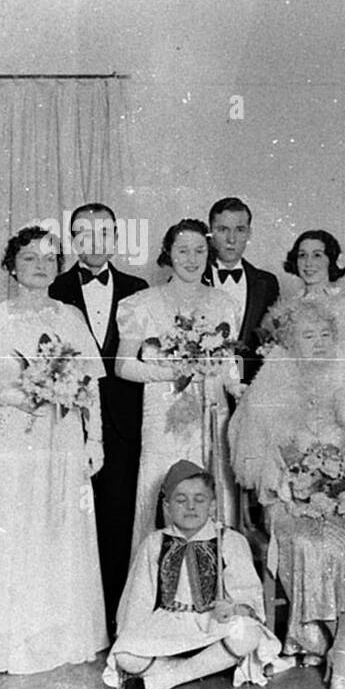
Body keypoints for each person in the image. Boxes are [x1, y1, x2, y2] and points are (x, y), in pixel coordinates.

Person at [0, 226, 108, 674]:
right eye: (30, 258)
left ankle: (60, 636)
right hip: (12, 438)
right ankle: (5, 644)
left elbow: (90, 382)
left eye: (49, 259)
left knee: (59, 527)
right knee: (11, 529)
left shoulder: (71, 317)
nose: (41, 266)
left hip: (63, 437)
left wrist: (95, 440)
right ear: (11, 266)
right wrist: (9, 396)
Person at [229, 294, 345, 689]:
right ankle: (336, 645)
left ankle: (343, 646)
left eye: (326, 334)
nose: (320, 342)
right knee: (310, 541)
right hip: (288, 493)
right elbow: (252, 451)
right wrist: (284, 483)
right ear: (289, 340)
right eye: (309, 335)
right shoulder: (272, 378)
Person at [102, 460, 283, 689]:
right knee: (125, 654)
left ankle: (160, 681)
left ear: (213, 504)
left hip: (213, 623)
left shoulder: (229, 540)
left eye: (199, 499)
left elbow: (248, 594)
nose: (190, 507)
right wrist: (130, 636)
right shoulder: (154, 543)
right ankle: (207, 666)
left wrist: (233, 608)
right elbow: (138, 600)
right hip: (170, 623)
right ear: (167, 506)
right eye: (180, 500)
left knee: (247, 633)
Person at [49, 202, 148, 635]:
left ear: (116, 238)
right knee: (69, 514)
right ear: (73, 240)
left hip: (124, 422)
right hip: (69, 421)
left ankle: (115, 614)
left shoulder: (139, 287)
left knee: (118, 517)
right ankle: (72, 616)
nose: (95, 243)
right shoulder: (51, 288)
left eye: (104, 233)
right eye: (84, 234)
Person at [117, 219, 242, 552]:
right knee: (162, 491)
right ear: (168, 254)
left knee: (213, 489)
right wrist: (172, 372)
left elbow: (228, 365)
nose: (191, 258)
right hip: (164, 415)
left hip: (213, 412)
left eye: (200, 250)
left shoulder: (224, 302)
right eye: (183, 250)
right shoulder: (141, 303)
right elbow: (123, 365)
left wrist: (237, 387)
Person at [204, 197, 280, 387]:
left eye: (239, 230)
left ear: (249, 233)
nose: (231, 239)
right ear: (210, 233)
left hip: (252, 388)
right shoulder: (193, 278)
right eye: (223, 230)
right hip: (206, 386)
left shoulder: (267, 283)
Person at [282, 228, 345, 299]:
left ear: (331, 259)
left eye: (317, 255)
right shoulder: (289, 305)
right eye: (302, 255)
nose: (308, 263)